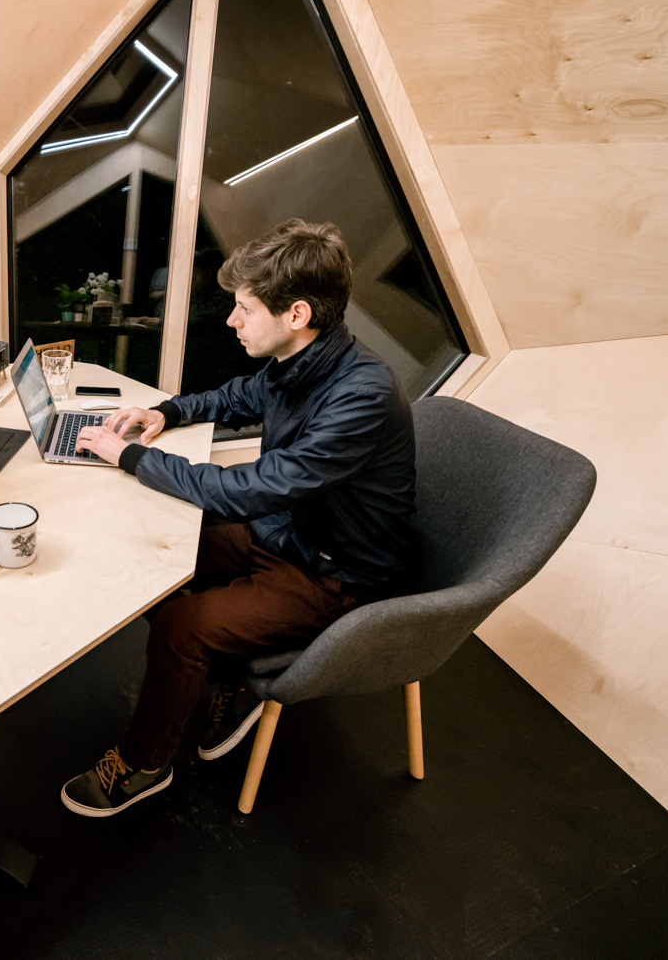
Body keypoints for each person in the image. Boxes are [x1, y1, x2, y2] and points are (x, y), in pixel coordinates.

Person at [60, 219, 417, 817]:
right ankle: (231, 677)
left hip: (336, 576)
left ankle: (144, 764)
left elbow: (250, 491)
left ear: (297, 313)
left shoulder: (362, 395)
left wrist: (130, 456)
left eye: (244, 309)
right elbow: (234, 397)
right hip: (290, 535)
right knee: (157, 551)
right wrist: (164, 413)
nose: (231, 321)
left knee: (181, 625)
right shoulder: (299, 361)